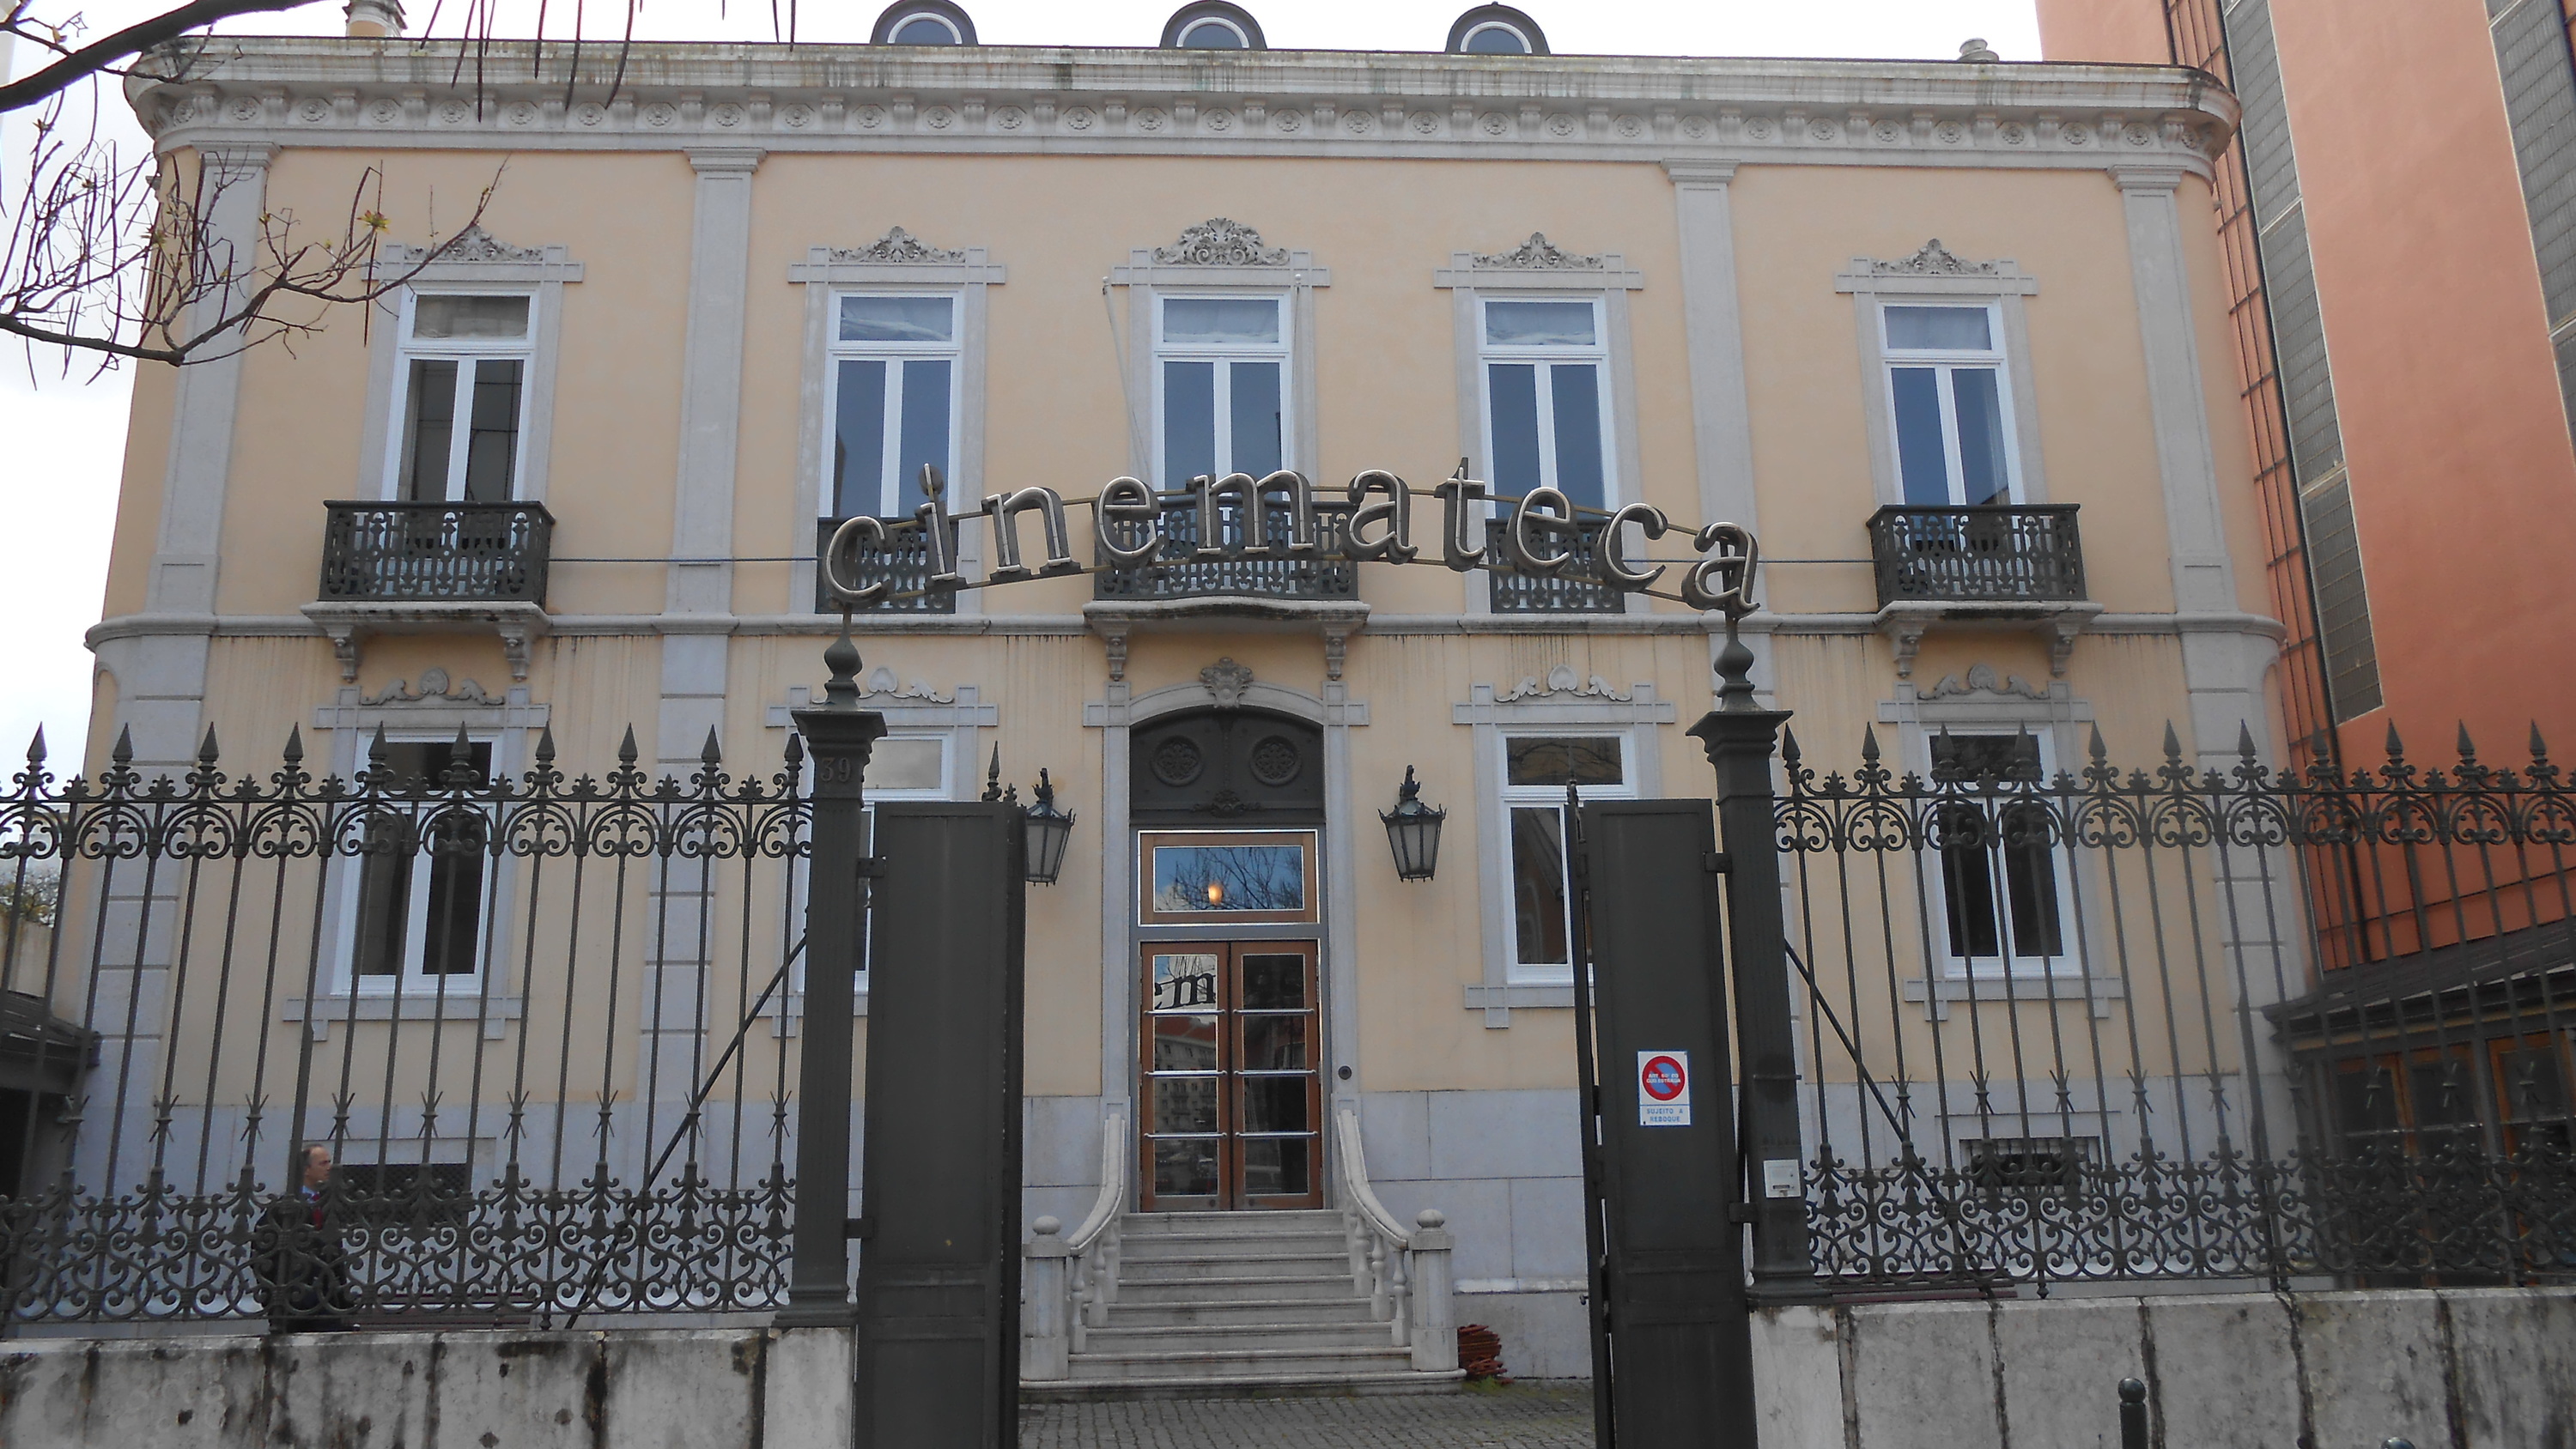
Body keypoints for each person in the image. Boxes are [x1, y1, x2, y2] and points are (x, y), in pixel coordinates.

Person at [254, 1143, 356, 1332]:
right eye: (323, 1163)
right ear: (306, 1170)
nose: (329, 1168)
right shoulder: (285, 1207)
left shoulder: (325, 1205)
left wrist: (342, 1300)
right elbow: (263, 1247)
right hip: (294, 1301)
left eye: (329, 1162)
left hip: (326, 1299)